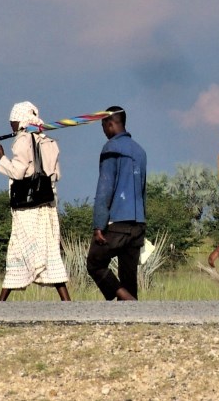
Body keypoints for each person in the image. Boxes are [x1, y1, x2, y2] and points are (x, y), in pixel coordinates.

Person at [0, 101, 71, 302]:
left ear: (19, 120)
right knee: (49, 251)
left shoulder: (22, 139)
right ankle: (66, 301)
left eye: (12, 122)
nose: (11, 126)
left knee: (18, 249)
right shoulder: (48, 141)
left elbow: (18, 172)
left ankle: (0, 303)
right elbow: (56, 175)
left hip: (28, 208)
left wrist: (1, 157)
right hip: (47, 206)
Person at [86, 106, 147, 301]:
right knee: (129, 279)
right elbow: (142, 189)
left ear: (110, 124)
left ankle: (128, 300)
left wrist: (99, 225)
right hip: (138, 223)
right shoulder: (140, 151)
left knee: (95, 263)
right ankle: (131, 315)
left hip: (118, 222)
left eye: (104, 126)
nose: (104, 131)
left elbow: (105, 189)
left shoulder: (111, 148)